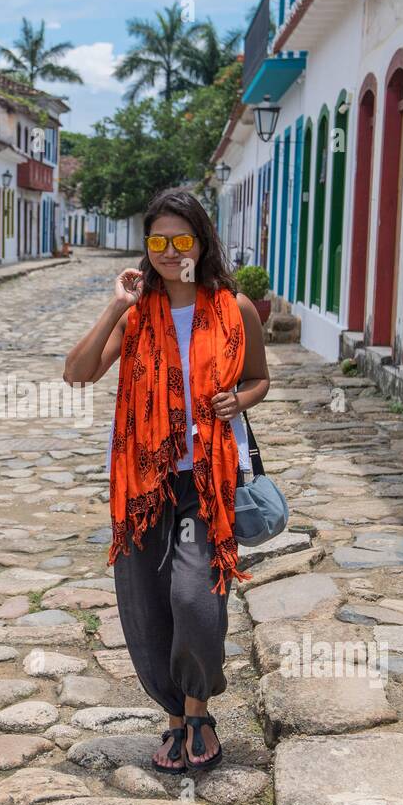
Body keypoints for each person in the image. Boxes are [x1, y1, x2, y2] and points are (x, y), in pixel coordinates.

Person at [63, 188, 271, 773]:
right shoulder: (135, 317)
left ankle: (199, 706)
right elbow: (77, 374)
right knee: (149, 606)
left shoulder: (236, 310)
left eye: (183, 240)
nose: (171, 251)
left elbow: (259, 378)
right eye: (159, 241)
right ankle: (177, 717)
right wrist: (114, 305)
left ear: (201, 242)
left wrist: (239, 400)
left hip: (206, 482)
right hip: (144, 484)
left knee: (194, 600)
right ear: (147, 245)